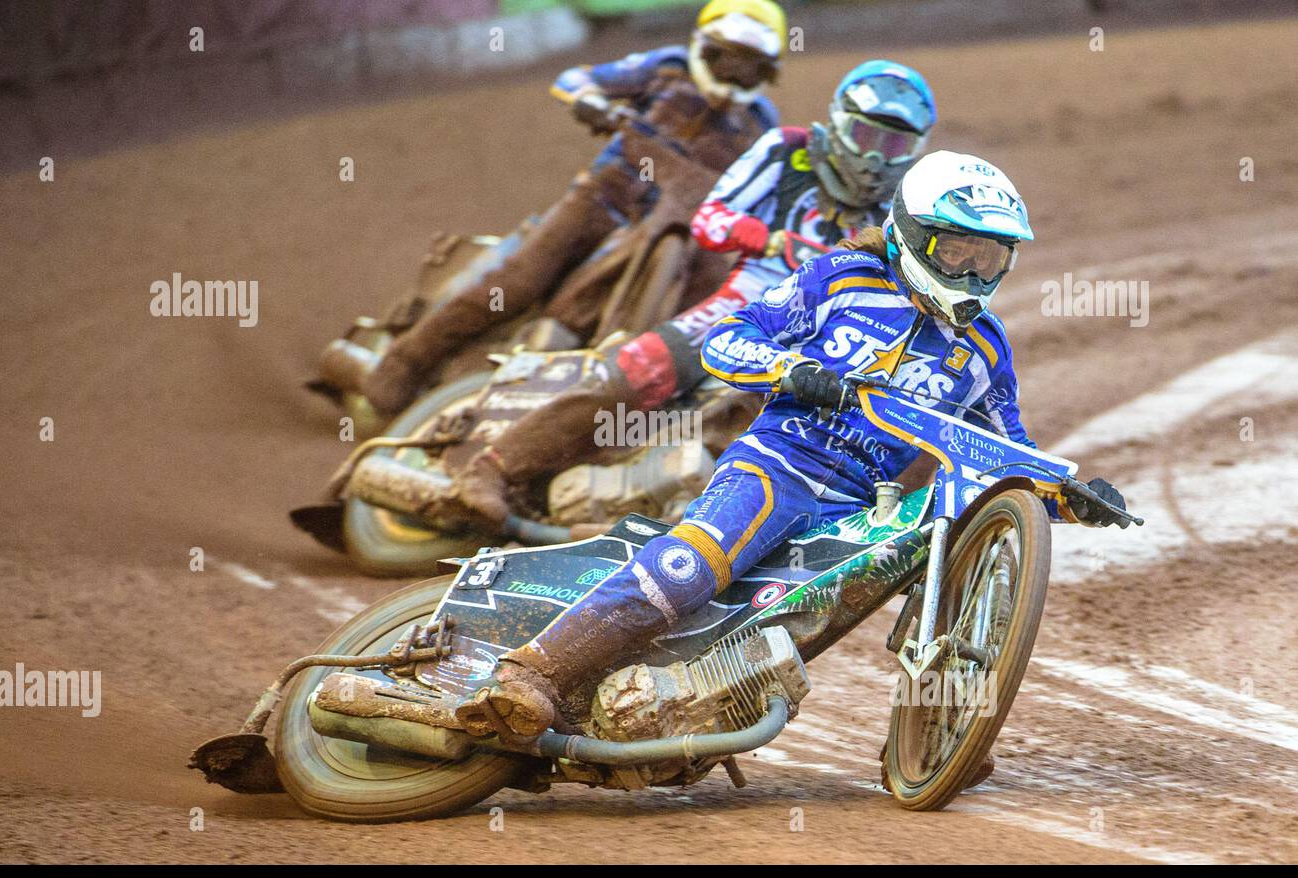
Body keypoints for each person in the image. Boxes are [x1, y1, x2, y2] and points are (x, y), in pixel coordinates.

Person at [452, 150, 1128, 744]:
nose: (974, 273)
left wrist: (1073, 497)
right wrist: (789, 370)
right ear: (913, 235)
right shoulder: (837, 277)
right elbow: (727, 338)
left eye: (991, 258)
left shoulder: (986, 347)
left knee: (953, 541)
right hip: (781, 463)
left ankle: (953, 727)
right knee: (694, 568)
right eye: (958, 252)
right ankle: (531, 672)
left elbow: (1006, 449)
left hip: (866, 509)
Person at [440, 61, 938, 531]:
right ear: (838, 122)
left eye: (895, 144)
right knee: (644, 368)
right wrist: (765, 239)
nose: (876, 156)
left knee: (810, 433)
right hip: (752, 300)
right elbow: (710, 217)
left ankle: (692, 516)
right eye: (867, 136)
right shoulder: (787, 150)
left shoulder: (899, 211)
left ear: (915, 148)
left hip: (821, 338)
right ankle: (493, 468)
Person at [361, 0, 788, 417]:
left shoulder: (761, 123)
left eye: (749, 66)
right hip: (605, 198)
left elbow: (768, 183)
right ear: (702, 47)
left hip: (682, 227)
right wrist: (590, 100)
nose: (735, 74)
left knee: (702, 312)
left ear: (767, 72)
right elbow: (577, 78)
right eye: (727, 60)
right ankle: (403, 364)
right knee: (519, 282)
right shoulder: (665, 69)